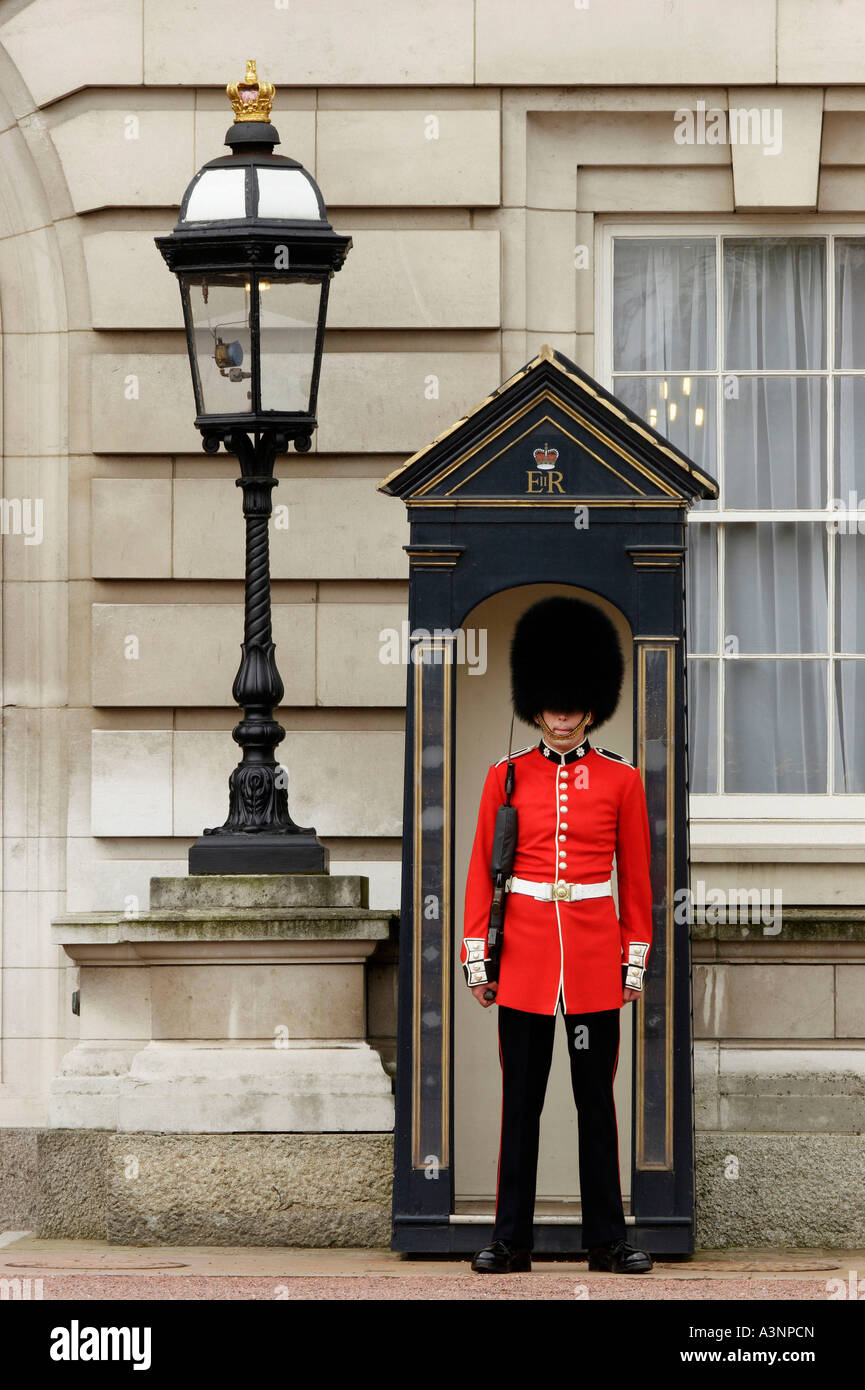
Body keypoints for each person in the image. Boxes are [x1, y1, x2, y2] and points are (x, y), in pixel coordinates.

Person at [461, 595, 654, 1275]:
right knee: (521, 1105)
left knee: (595, 1105)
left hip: (595, 960)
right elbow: (482, 872)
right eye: (552, 703)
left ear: (591, 705)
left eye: (573, 703)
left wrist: (633, 961)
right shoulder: (503, 778)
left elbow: (635, 881)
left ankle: (608, 1241)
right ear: (535, 704)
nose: (563, 715)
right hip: (524, 959)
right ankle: (510, 1242)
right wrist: (478, 959)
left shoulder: (622, 781)